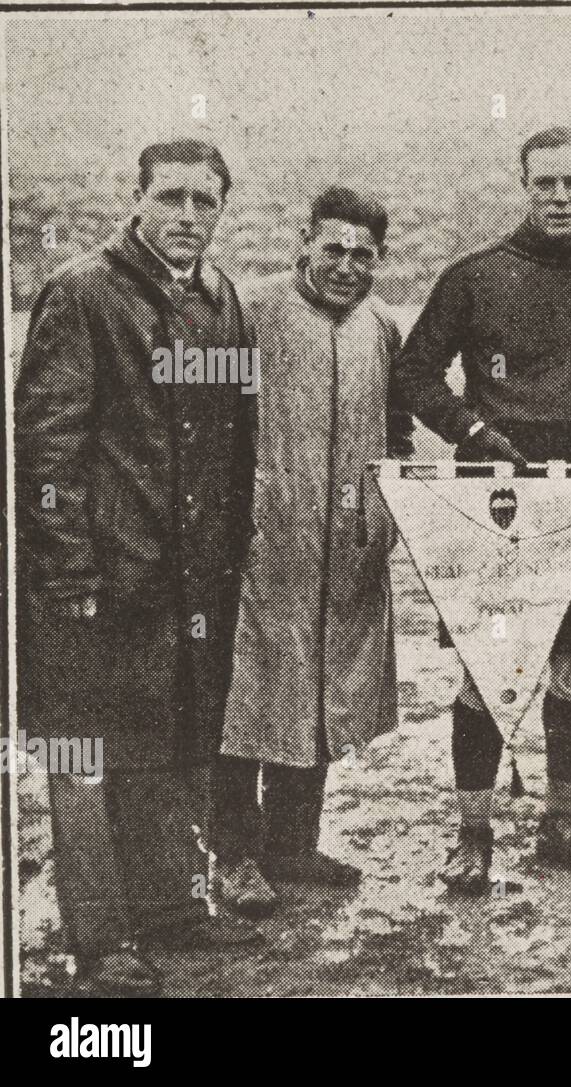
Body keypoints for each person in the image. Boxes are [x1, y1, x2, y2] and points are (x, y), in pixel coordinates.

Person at [15, 138, 261, 995]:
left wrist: (227, 558)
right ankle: (103, 938)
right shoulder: (83, 293)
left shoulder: (223, 299)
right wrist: (69, 573)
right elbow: (47, 449)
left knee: (173, 741)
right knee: (88, 755)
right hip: (95, 579)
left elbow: (233, 438)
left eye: (205, 201)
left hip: (185, 576)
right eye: (172, 198)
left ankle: (171, 907)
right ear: (139, 199)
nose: (189, 216)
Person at [393, 127, 571, 893]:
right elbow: (415, 373)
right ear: (524, 187)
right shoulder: (476, 276)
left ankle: (562, 826)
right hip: (494, 506)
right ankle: (472, 834)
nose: (560, 197)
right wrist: (476, 432)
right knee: (485, 669)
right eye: (545, 183)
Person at [210, 187, 413, 916]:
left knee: (323, 692)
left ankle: (293, 843)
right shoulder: (252, 312)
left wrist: (385, 511)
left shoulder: (381, 326)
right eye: (334, 248)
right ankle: (233, 857)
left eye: (363, 254)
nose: (347, 265)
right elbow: (204, 414)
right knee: (248, 696)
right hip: (264, 540)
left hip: (348, 545)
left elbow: (400, 427)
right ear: (305, 241)